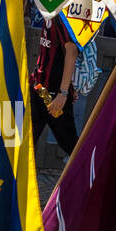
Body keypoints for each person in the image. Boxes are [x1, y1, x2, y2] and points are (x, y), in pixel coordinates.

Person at [30, 14, 79, 155]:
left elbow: (72, 51)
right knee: (26, 141)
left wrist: (63, 93)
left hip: (53, 97)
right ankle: (15, 176)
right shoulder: (49, 12)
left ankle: (93, 175)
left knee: (70, 145)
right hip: (40, 89)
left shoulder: (63, 16)